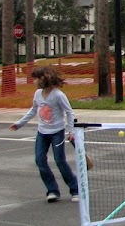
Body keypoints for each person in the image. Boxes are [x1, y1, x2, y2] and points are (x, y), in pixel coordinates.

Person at [9, 66, 79, 203]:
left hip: (56, 133)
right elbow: (33, 110)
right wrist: (19, 123)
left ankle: (75, 190)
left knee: (60, 161)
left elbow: (70, 112)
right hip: (42, 132)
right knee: (40, 160)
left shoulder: (58, 95)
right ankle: (52, 190)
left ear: (44, 78)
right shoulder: (37, 94)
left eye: (36, 78)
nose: (34, 81)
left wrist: (71, 131)